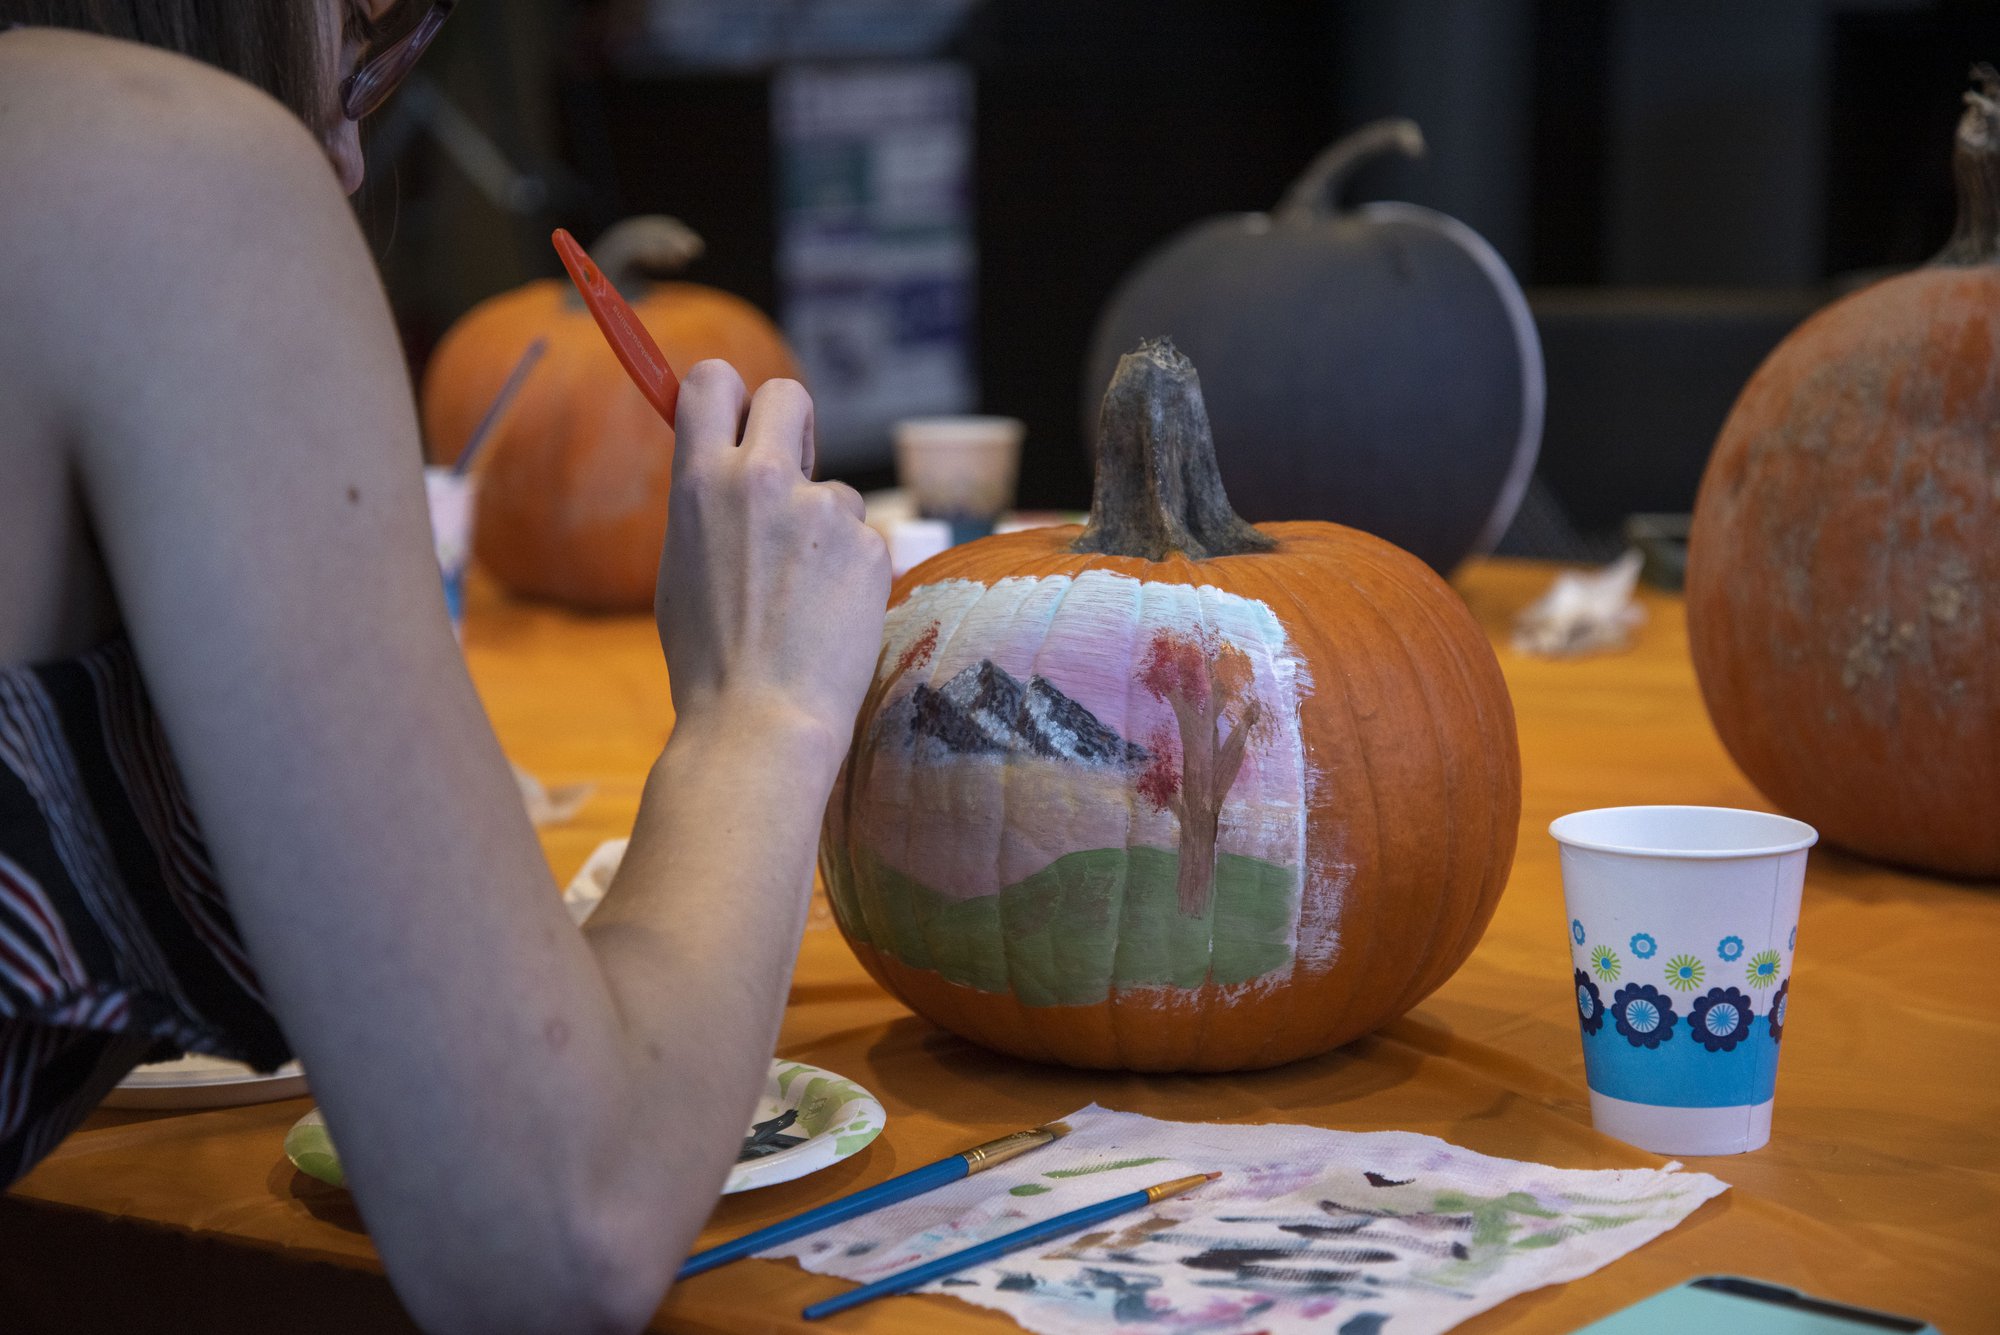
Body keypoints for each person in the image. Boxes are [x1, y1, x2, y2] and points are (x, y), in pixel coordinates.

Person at [0, 3, 889, 1330]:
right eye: (361, 49)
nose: (348, 163)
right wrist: (760, 709)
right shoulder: (163, 166)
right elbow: (557, 1234)